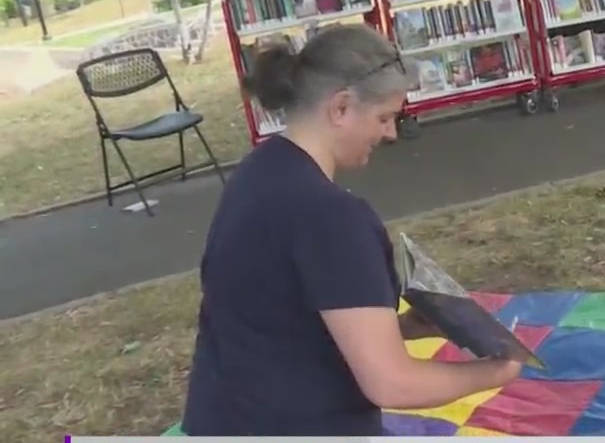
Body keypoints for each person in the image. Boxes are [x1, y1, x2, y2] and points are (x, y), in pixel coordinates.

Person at [181, 24, 522, 436]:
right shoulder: (333, 217)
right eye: (384, 117)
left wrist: (402, 328)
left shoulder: (257, 172)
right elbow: (392, 384)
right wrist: (495, 372)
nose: (390, 133)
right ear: (341, 107)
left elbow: (279, 325)